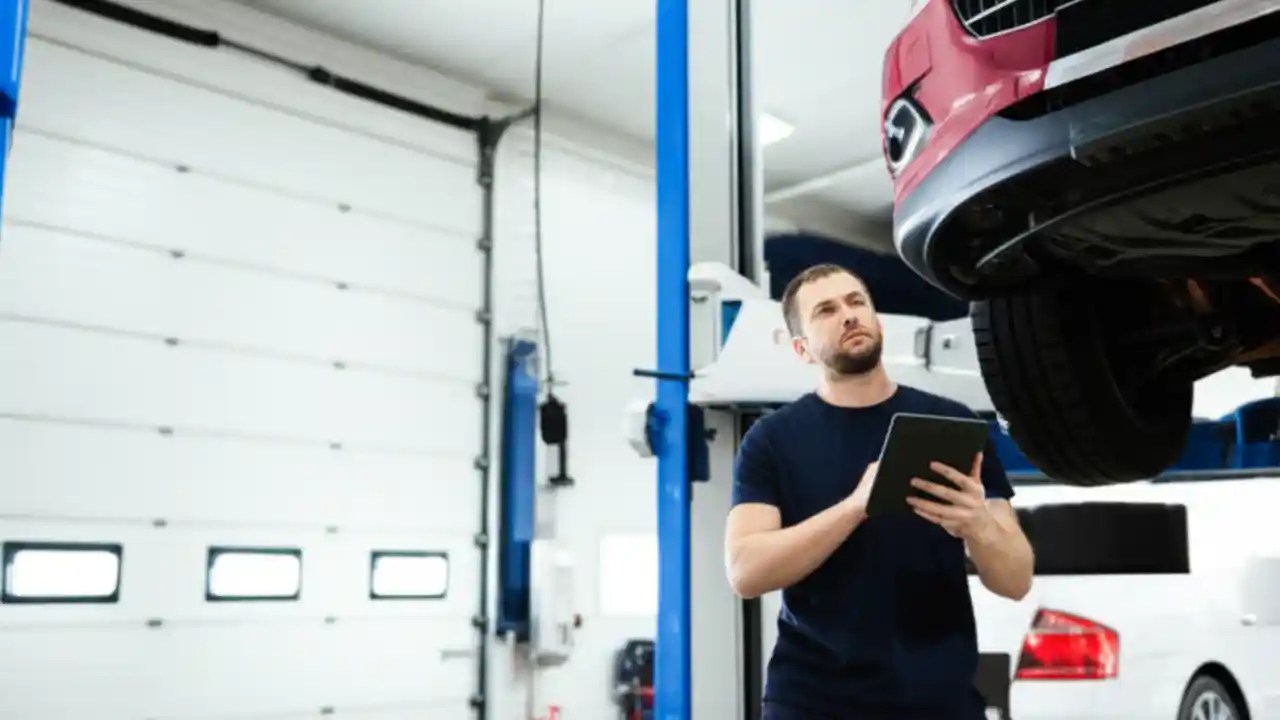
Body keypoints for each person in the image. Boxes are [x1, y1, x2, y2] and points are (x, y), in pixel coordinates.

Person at [724, 262, 1035, 720]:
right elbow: (745, 572)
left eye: (856, 302)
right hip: (813, 702)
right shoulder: (771, 440)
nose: (848, 315)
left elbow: (1016, 580)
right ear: (802, 348)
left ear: (877, 321)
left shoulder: (953, 424)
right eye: (826, 311)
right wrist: (853, 508)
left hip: (938, 701)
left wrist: (978, 525)